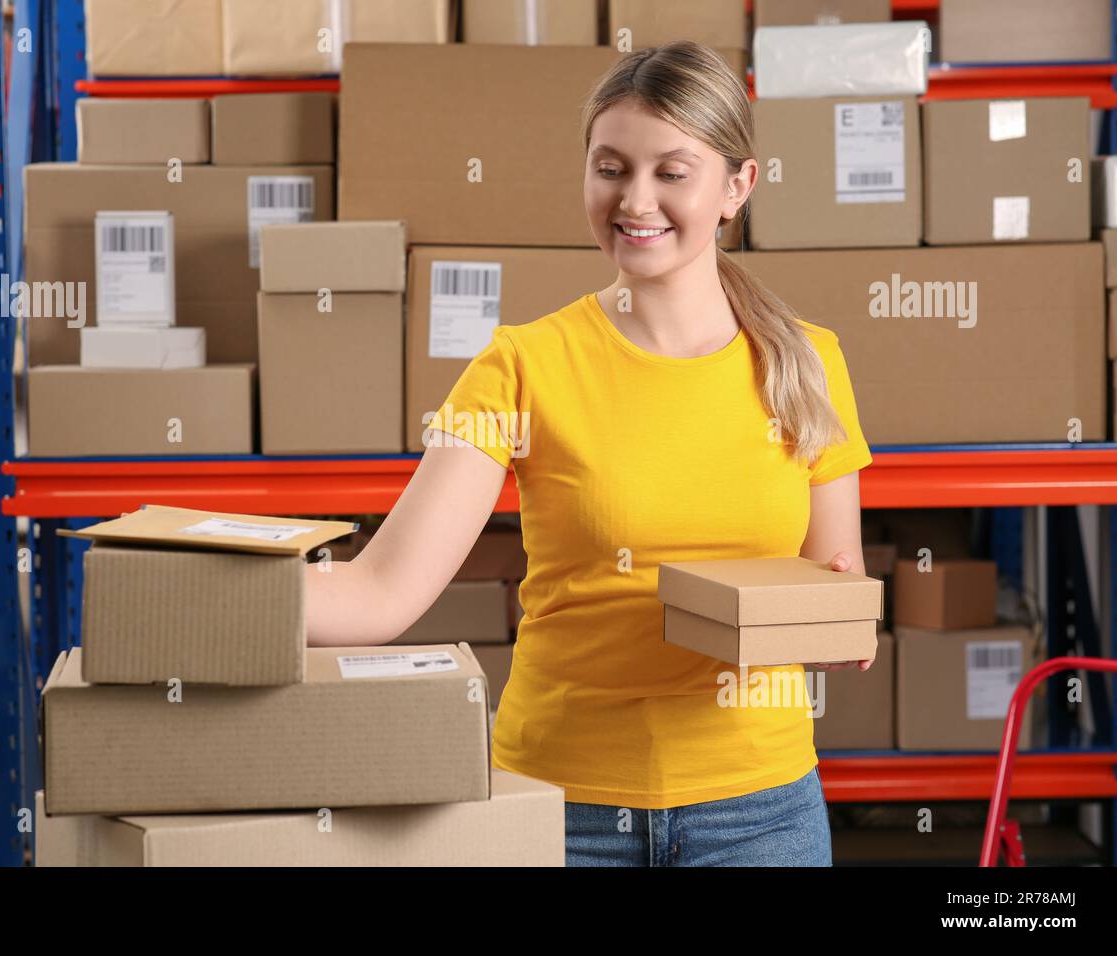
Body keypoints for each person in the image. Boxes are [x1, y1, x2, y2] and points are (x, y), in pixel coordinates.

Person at [304, 40, 875, 867]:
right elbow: (380, 593)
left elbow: (833, 579)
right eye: (611, 167)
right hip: (561, 807)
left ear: (737, 186)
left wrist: (836, 621)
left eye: (671, 172)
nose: (635, 200)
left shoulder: (806, 362)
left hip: (759, 812)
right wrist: (202, 594)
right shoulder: (521, 366)